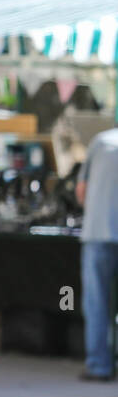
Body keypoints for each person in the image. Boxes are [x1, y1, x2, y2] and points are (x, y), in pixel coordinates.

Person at [78, 126, 118, 381]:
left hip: (98, 231)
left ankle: (99, 365)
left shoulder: (101, 141)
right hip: (99, 232)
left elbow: (81, 190)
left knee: (96, 302)